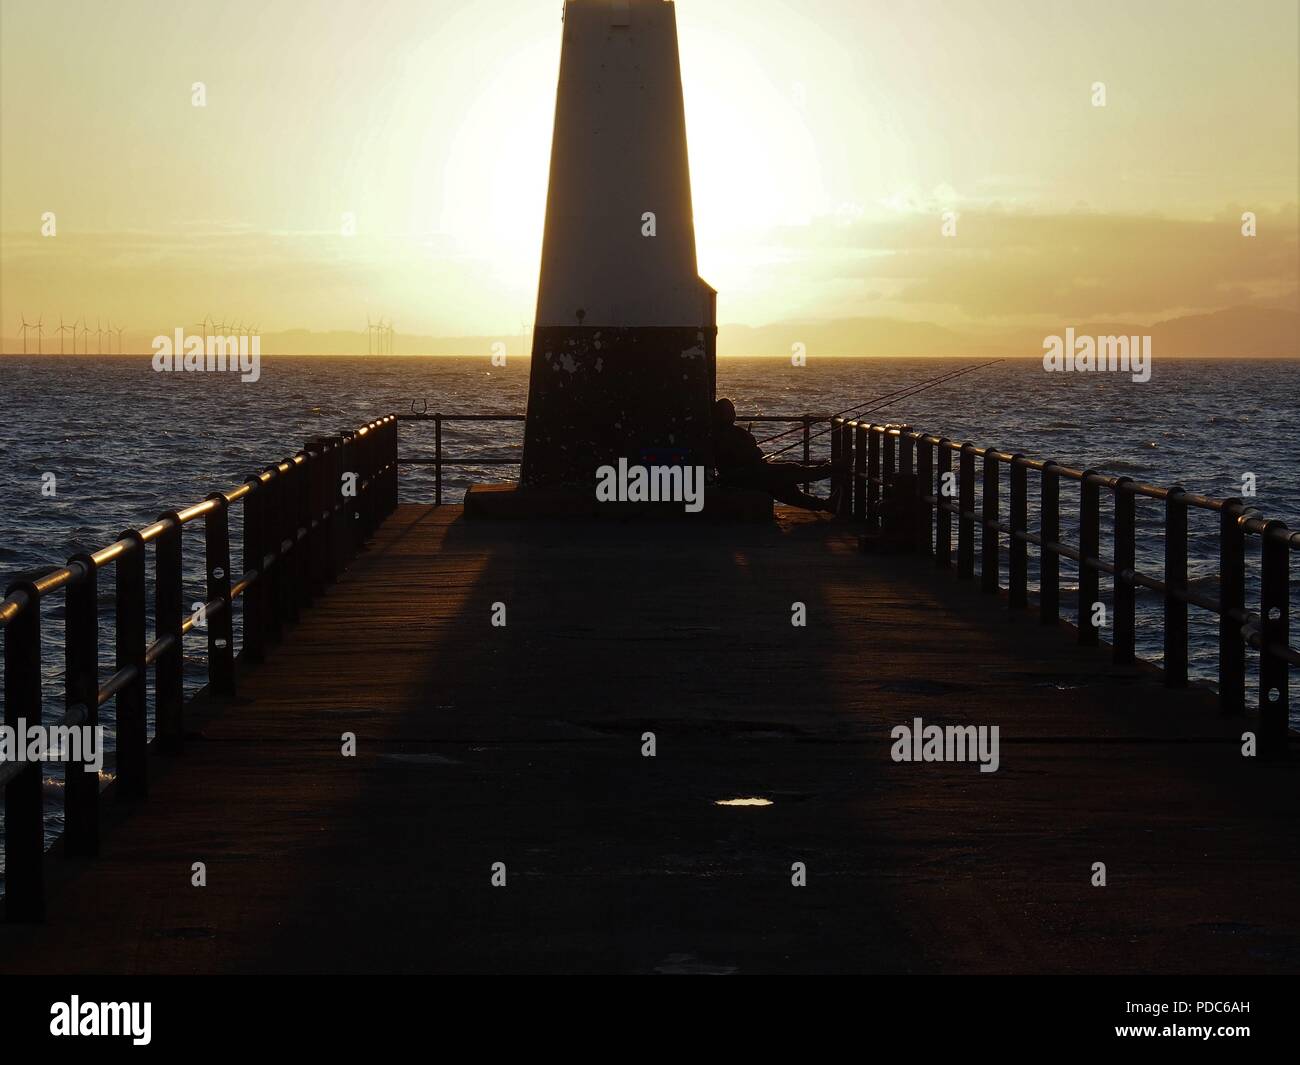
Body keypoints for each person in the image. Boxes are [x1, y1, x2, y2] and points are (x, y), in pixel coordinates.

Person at [712, 397, 837, 512]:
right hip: (747, 476)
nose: (734, 413)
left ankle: (825, 503)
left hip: (749, 474)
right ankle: (831, 470)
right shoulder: (730, 434)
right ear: (723, 414)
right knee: (790, 471)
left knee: (785, 486)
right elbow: (750, 457)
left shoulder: (723, 433)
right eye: (730, 411)